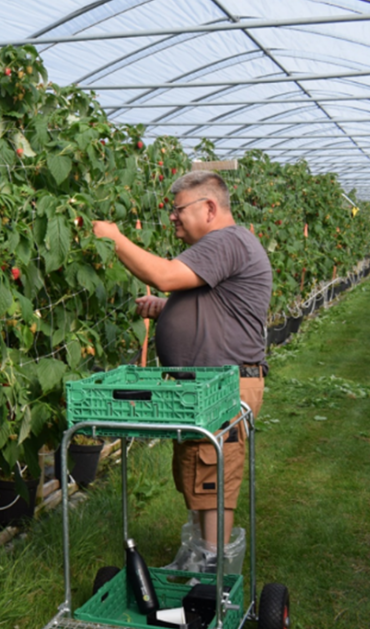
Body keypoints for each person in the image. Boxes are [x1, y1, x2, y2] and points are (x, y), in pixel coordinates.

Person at [92, 170, 272, 564]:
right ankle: (201, 560)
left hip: (224, 388)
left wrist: (115, 239)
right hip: (208, 387)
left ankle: (213, 578)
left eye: (179, 210)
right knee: (200, 474)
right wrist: (164, 310)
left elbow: (165, 276)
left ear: (209, 208)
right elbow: (210, 302)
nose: (172, 218)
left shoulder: (226, 240)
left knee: (213, 481)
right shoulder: (227, 246)